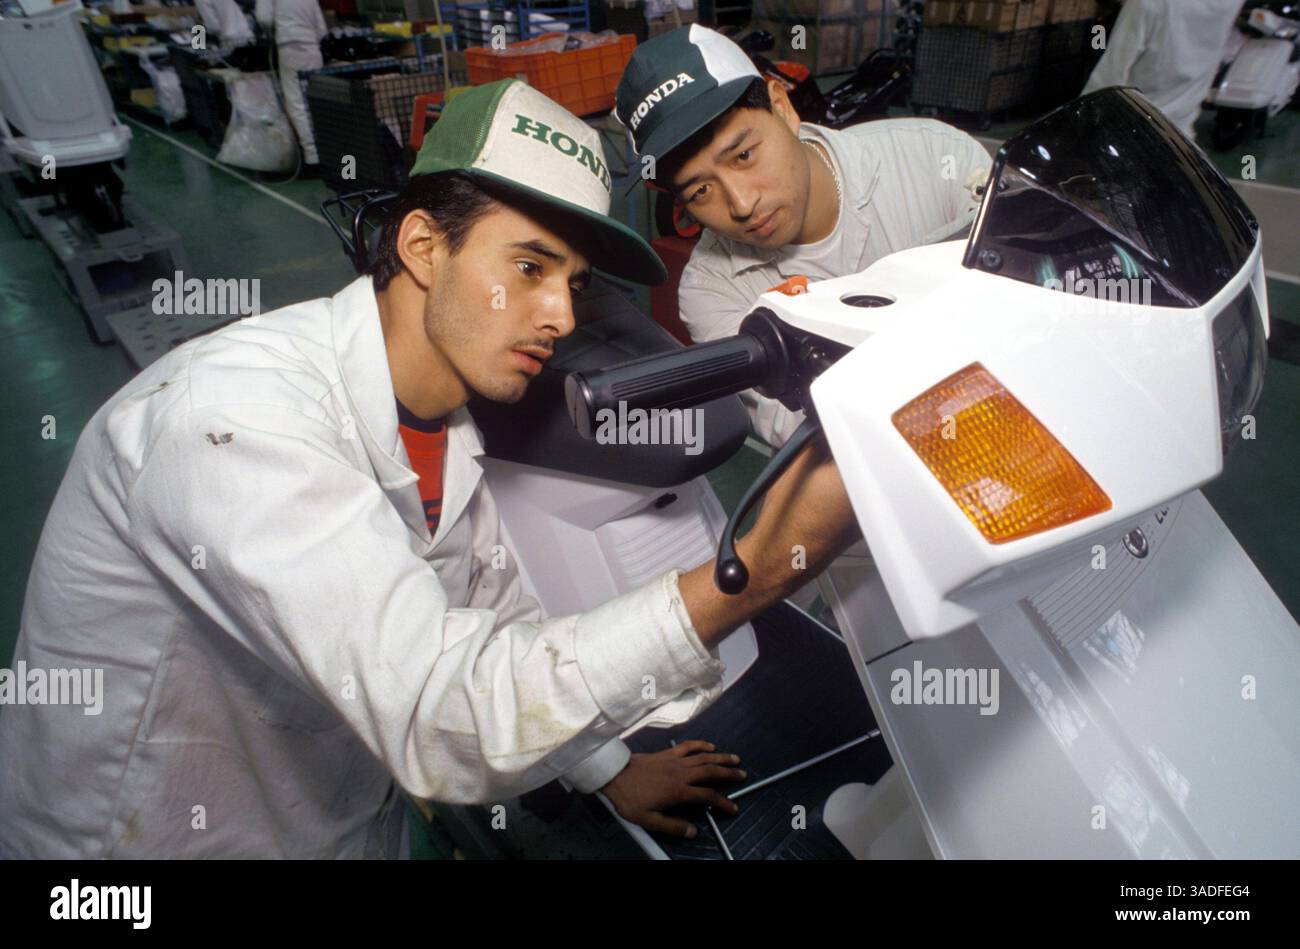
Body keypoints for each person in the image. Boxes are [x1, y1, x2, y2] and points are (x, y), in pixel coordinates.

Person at [0, 79, 860, 858]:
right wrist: (754, 568)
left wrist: (605, 769)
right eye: (527, 267)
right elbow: (436, 709)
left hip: (338, 820)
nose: (560, 315)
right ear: (421, 246)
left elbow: (491, 615)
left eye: (575, 281)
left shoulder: (447, 421)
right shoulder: (231, 420)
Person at [615, 25, 992, 449]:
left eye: (743, 155)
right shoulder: (712, 291)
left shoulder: (937, 162)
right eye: (700, 191)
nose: (741, 204)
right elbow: (812, 434)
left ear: (782, 108)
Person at [1082, 0, 1244, 138]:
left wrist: (1082, 129)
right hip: (1181, 137)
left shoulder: (1150, 3)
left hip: (1133, 132)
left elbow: (1107, 77)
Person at [255, 0, 328, 172]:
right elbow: (322, 29)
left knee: (297, 104)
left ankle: (313, 158)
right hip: (312, 48)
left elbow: (263, 18)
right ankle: (328, 152)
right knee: (317, 100)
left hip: (290, 47)